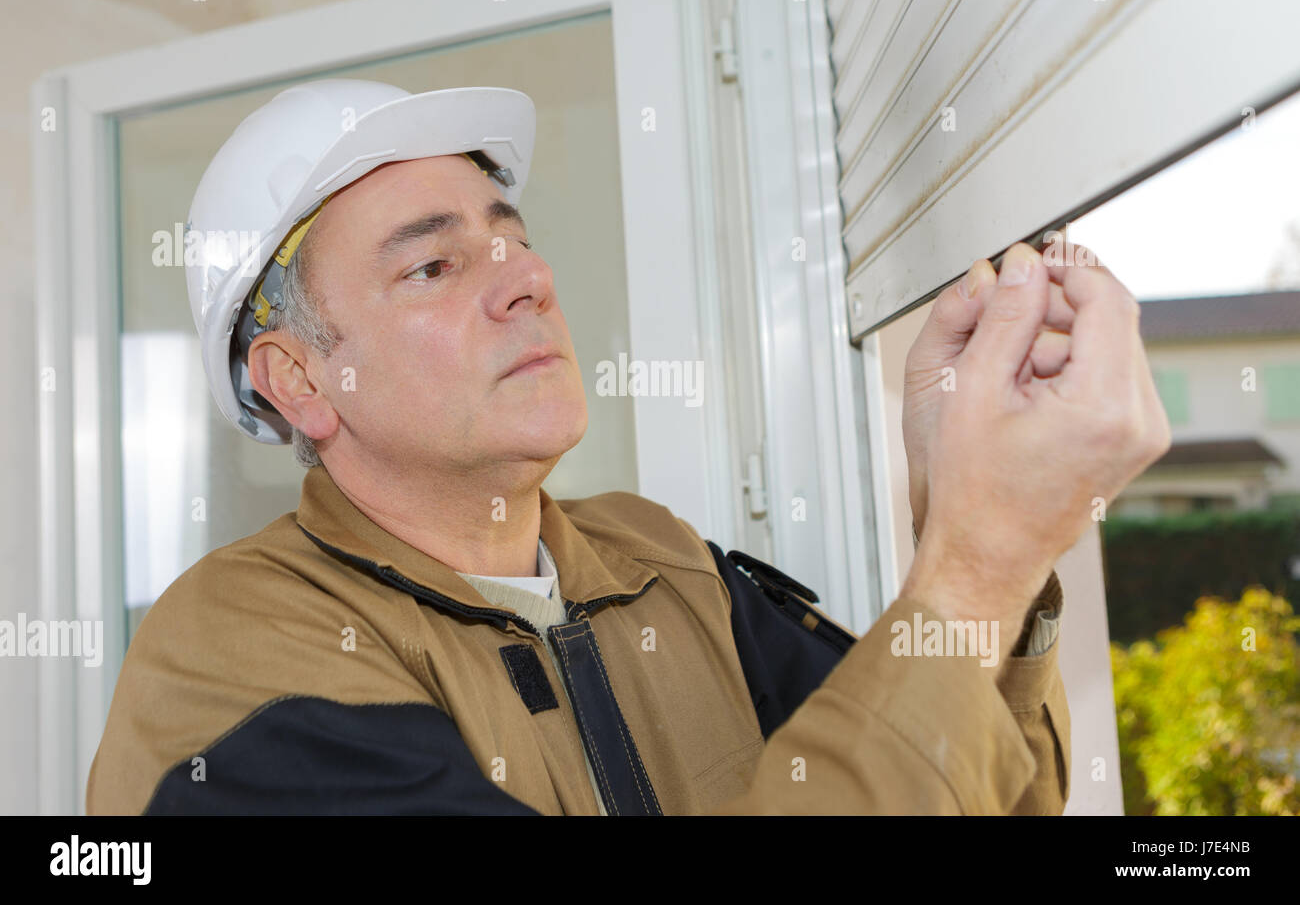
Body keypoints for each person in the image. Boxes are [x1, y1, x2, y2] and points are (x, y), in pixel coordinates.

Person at [86, 80, 1170, 815]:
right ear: (301, 379)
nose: (527, 275)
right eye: (435, 266)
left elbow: (979, 790)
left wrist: (969, 520)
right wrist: (976, 558)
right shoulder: (229, 658)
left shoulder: (658, 563)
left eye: (509, 233)